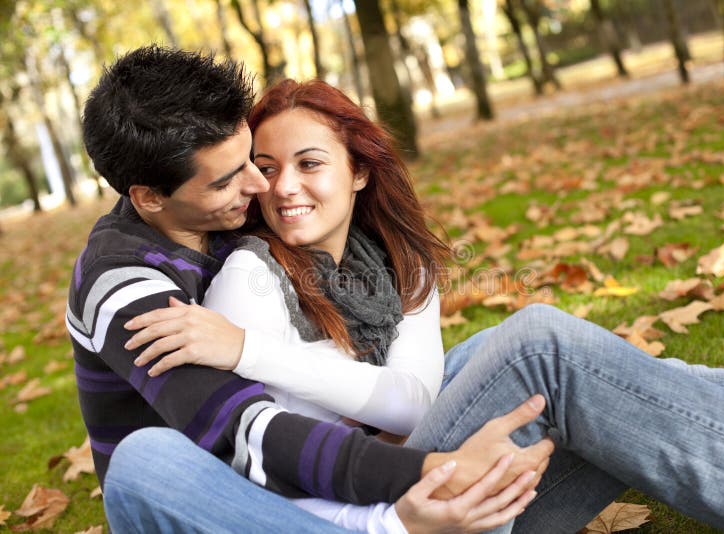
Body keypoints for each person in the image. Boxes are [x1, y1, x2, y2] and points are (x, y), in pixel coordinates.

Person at [123, 78, 724, 533]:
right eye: (265, 169)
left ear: (359, 169)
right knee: (538, 348)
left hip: (441, 494)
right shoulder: (250, 275)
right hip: (370, 512)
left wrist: (261, 357)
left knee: (614, 379)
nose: (283, 187)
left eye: (309, 163)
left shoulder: (396, 262)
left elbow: (416, 401)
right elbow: (268, 474)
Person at [68, 45, 554, 534]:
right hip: (210, 503)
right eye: (230, 177)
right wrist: (422, 484)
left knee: (517, 350)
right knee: (146, 461)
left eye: (250, 159)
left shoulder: (235, 216)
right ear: (150, 198)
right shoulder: (123, 287)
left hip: (321, 481)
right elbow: (243, 434)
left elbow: (401, 398)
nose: (264, 186)